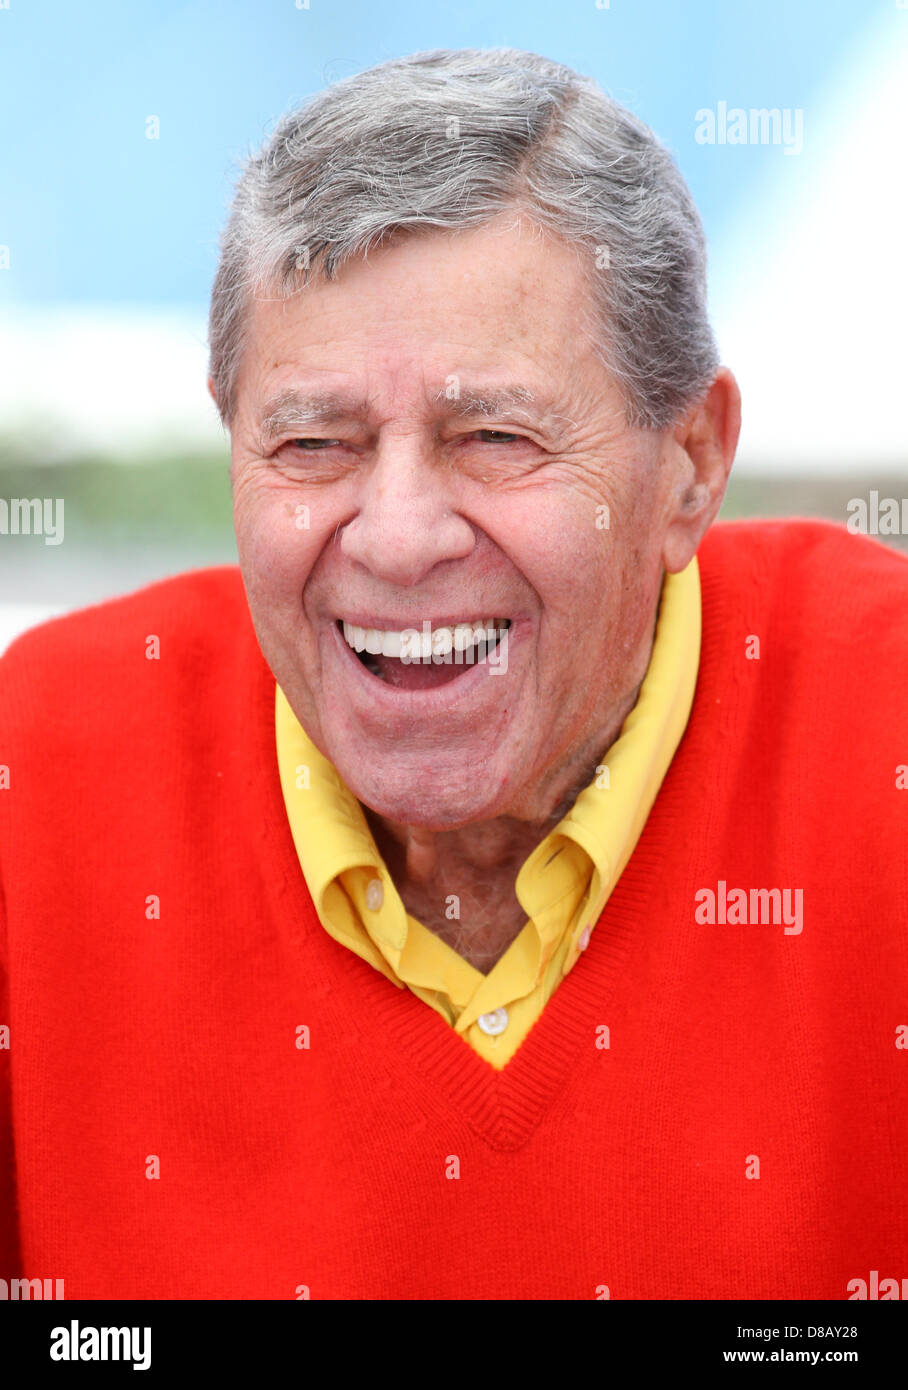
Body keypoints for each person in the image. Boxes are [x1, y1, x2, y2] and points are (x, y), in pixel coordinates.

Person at [1, 48, 906, 1301]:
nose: (395, 535)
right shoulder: (31, 775)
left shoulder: (883, 734)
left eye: (493, 437)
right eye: (312, 443)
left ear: (689, 464)